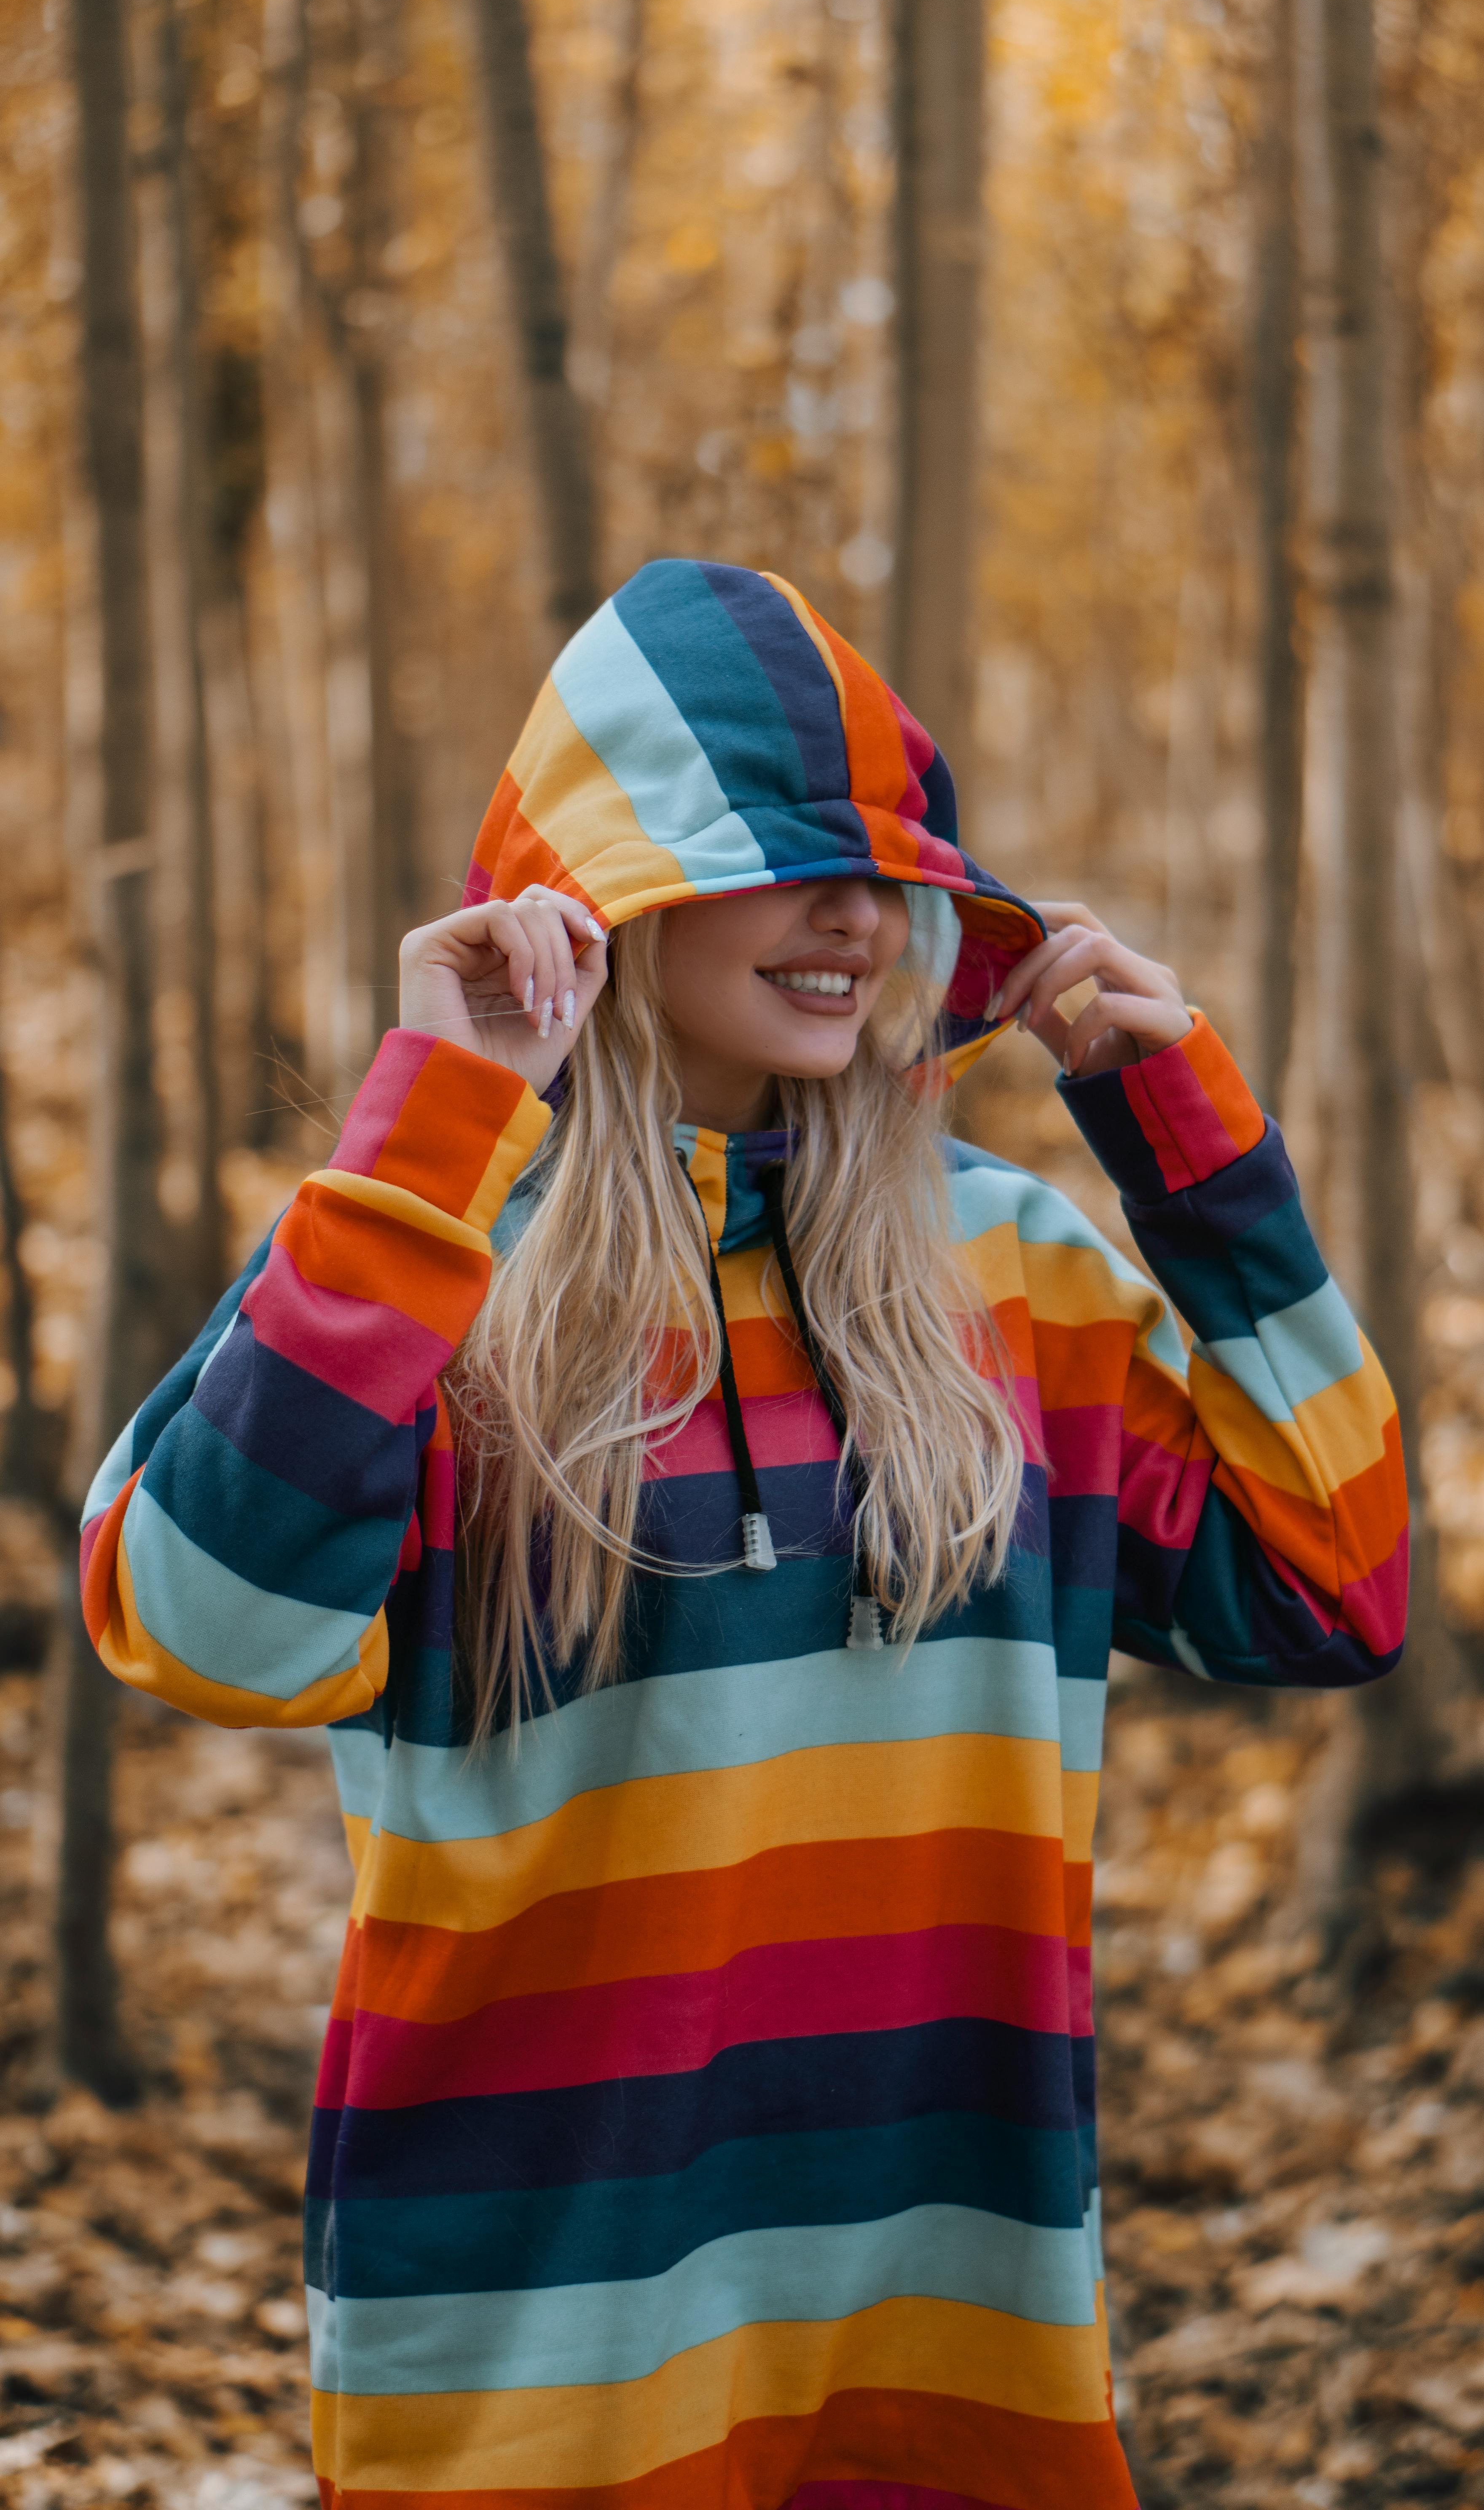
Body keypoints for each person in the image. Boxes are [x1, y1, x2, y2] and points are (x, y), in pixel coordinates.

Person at [80, 559, 1408, 2510]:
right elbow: (200, 1626)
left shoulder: (1011, 1279)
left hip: (951, 2335)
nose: (855, 910)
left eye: (889, 872)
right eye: (775, 858)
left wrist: (1184, 1143)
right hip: (543, 2364)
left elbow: (1332, 1587)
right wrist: (431, 1126)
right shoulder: (433, 1287)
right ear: (600, 896)